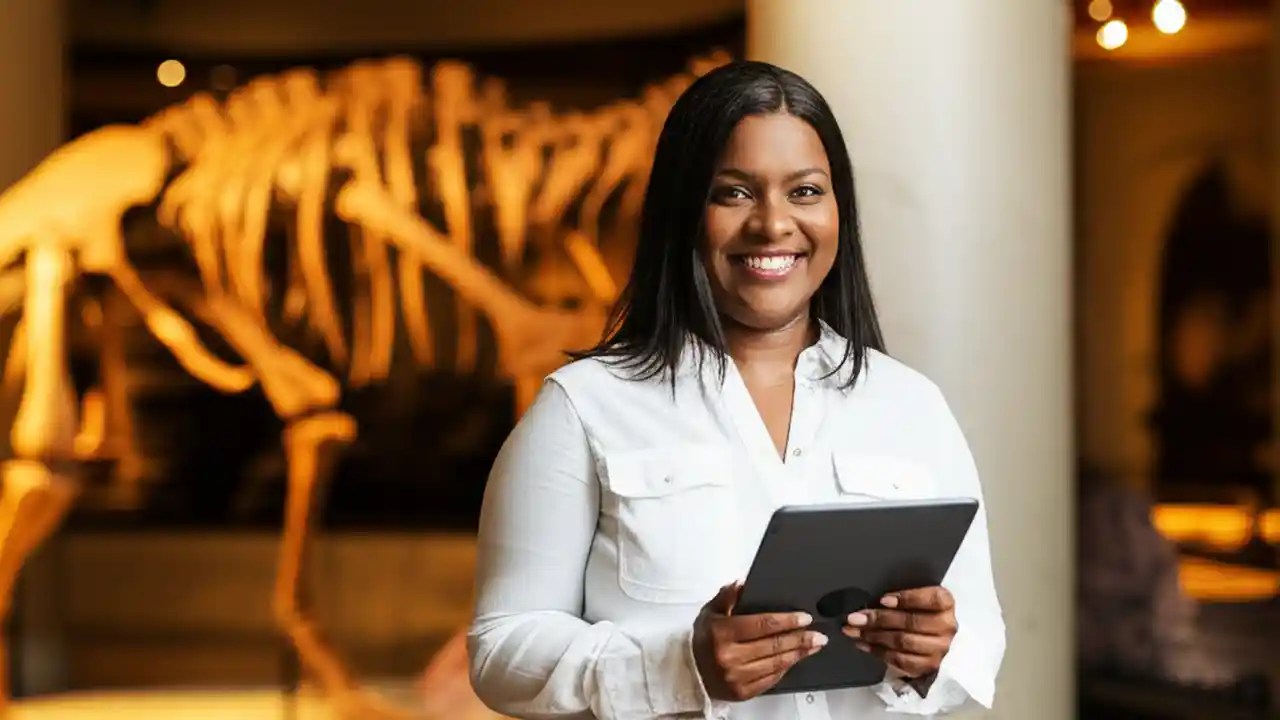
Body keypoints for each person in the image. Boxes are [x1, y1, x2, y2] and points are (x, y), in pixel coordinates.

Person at [467, 60, 1005, 719]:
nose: (773, 224)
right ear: (682, 211)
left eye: (805, 191)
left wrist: (933, 651)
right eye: (735, 193)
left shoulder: (911, 407)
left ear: (840, 209)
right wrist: (677, 666)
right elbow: (500, 651)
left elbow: (980, 634)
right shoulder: (583, 408)